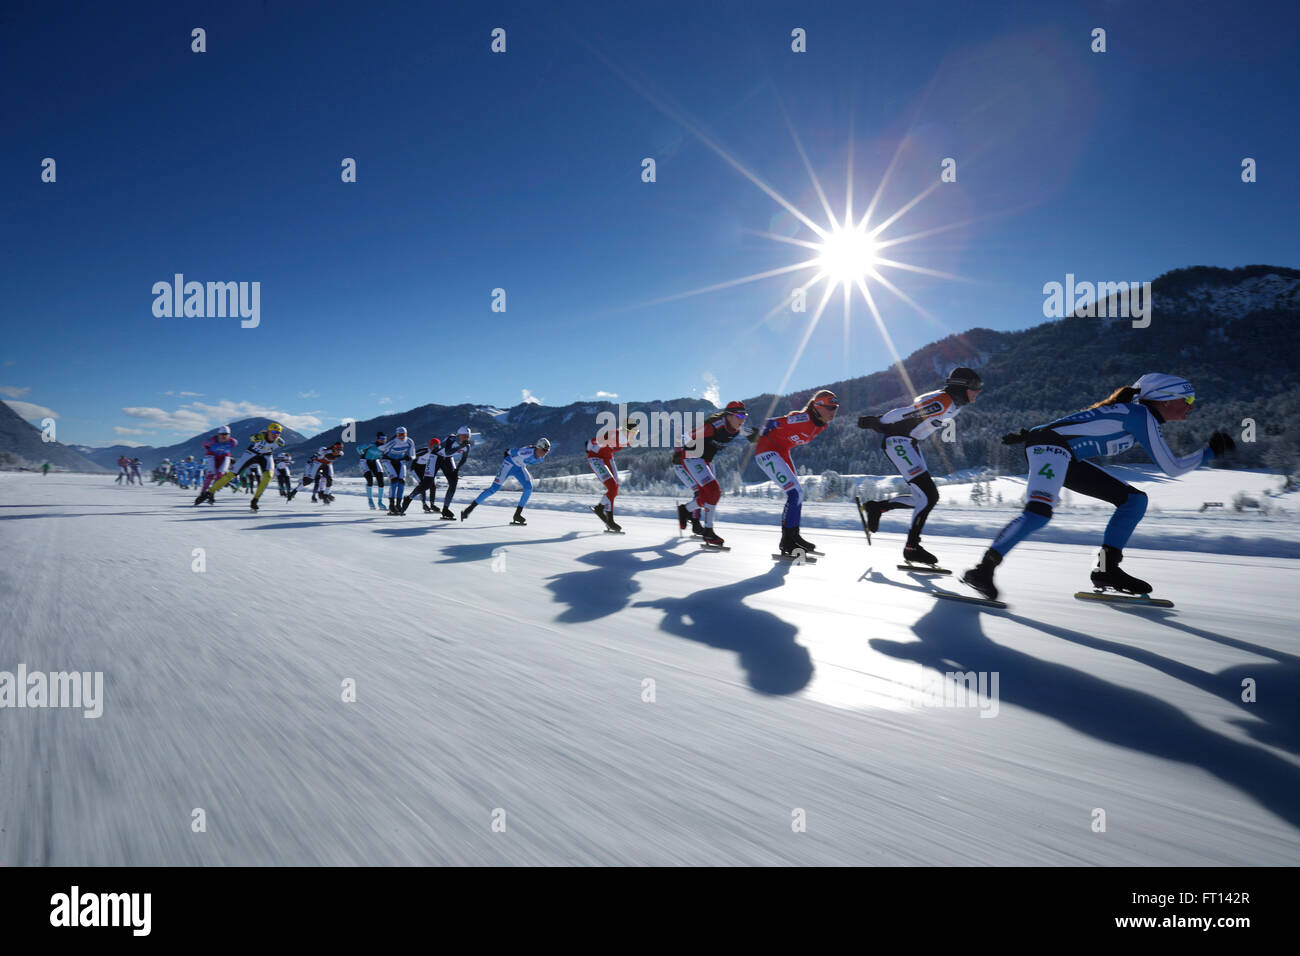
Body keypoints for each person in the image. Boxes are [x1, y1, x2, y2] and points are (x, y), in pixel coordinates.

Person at [961, 373, 1235, 601]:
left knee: (1134, 500)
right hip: (1052, 449)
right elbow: (1172, 468)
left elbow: (1081, 420)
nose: (1191, 406)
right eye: (1187, 399)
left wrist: (1032, 432)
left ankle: (1106, 570)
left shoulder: (1135, 413)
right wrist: (1211, 451)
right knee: (1038, 513)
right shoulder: (1141, 415)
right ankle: (982, 570)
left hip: (1061, 452)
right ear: (1164, 399)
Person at [858, 367, 983, 566]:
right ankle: (912, 548)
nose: (979, 391)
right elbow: (906, 412)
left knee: (921, 498)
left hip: (909, 443)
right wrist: (878, 421)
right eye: (976, 386)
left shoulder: (954, 402)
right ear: (961, 387)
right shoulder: (943, 402)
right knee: (929, 496)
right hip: (898, 442)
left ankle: (877, 507)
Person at [751, 390, 839, 556]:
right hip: (766, 451)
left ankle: (794, 536)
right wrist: (760, 431)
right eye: (830, 408)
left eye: (835, 408)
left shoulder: (822, 425)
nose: (833, 412)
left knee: (798, 494)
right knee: (795, 493)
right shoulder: (803, 418)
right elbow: (772, 422)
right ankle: (787, 541)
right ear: (817, 406)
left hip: (782, 451)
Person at [671, 401, 748, 545]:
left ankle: (685, 510)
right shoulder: (713, 427)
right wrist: (678, 452)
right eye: (739, 415)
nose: (742, 419)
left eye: (745, 416)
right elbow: (685, 436)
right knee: (714, 491)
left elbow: (749, 433)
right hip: (692, 457)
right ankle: (708, 531)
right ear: (728, 416)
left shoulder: (736, 429)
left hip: (705, 460)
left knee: (706, 496)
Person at [461, 438, 551, 525]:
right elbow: (513, 451)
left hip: (520, 467)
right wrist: (507, 452)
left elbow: (525, 462)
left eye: (547, 451)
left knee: (528, 487)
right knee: (494, 489)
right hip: (508, 465)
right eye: (544, 450)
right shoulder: (527, 451)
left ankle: (517, 515)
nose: (545, 453)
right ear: (538, 447)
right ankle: (468, 509)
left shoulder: (541, 458)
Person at [198, 422, 285, 509]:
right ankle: (209, 492)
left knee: (268, 476)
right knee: (232, 474)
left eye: (278, 433)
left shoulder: (280, 442)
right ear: (268, 431)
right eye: (273, 432)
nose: (275, 435)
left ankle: (255, 500)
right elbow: (251, 437)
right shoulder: (259, 437)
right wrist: (260, 435)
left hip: (266, 456)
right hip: (251, 454)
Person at [587, 419, 639, 531]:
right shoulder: (612, 435)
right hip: (595, 458)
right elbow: (592, 442)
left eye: (636, 433)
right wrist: (589, 448)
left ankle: (600, 508)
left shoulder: (628, 441)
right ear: (625, 431)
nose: (634, 436)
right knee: (612, 487)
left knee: (615, 487)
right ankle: (608, 519)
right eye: (633, 433)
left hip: (607, 458)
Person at [433, 426, 472, 519]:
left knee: (454, 482)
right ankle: (406, 500)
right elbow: (447, 452)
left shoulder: (467, 446)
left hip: (447, 459)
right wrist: (460, 446)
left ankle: (445, 509)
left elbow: (463, 459)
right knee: (426, 483)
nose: (466, 438)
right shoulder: (451, 439)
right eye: (464, 436)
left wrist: (457, 470)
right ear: (458, 435)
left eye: (468, 436)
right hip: (436, 457)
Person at [378, 426, 416, 515]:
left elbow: (413, 455)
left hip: (400, 461)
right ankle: (391, 505)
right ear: (397, 435)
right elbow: (381, 448)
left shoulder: (410, 442)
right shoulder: (393, 442)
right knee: (394, 481)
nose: (401, 437)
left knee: (402, 482)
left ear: (406, 434)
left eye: (403, 434)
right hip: (388, 461)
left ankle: (398, 505)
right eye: (399, 435)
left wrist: (409, 457)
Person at [195, 426, 239, 503]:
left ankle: (212, 492)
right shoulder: (211, 441)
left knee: (220, 474)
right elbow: (204, 445)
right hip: (211, 456)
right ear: (218, 435)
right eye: (222, 434)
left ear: (229, 435)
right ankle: (203, 492)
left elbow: (233, 445)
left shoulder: (233, 442)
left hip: (224, 457)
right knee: (211, 473)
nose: (224, 436)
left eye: (226, 434)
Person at [402, 438, 442, 514]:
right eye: (434, 446)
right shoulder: (425, 451)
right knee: (422, 485)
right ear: (430, 445)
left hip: (425, 469)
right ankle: (424, 504)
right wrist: (407, 457)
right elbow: (413, 455)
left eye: (437, 446)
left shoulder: (437, 453)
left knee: (432, 486)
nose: (435, 447)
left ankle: (432, 504)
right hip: (415, 469)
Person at [357, 431, 388, 510]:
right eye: (381, 438)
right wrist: (362, 453)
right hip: (365, 461)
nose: (383, 440)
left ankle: (380, 502)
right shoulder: (371, 445)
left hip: (375, 461)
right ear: (377, 439)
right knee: (369, 479)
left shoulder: (385, 447)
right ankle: (370, 501)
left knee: (381, 480)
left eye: (385, 439)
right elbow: (358, 448)